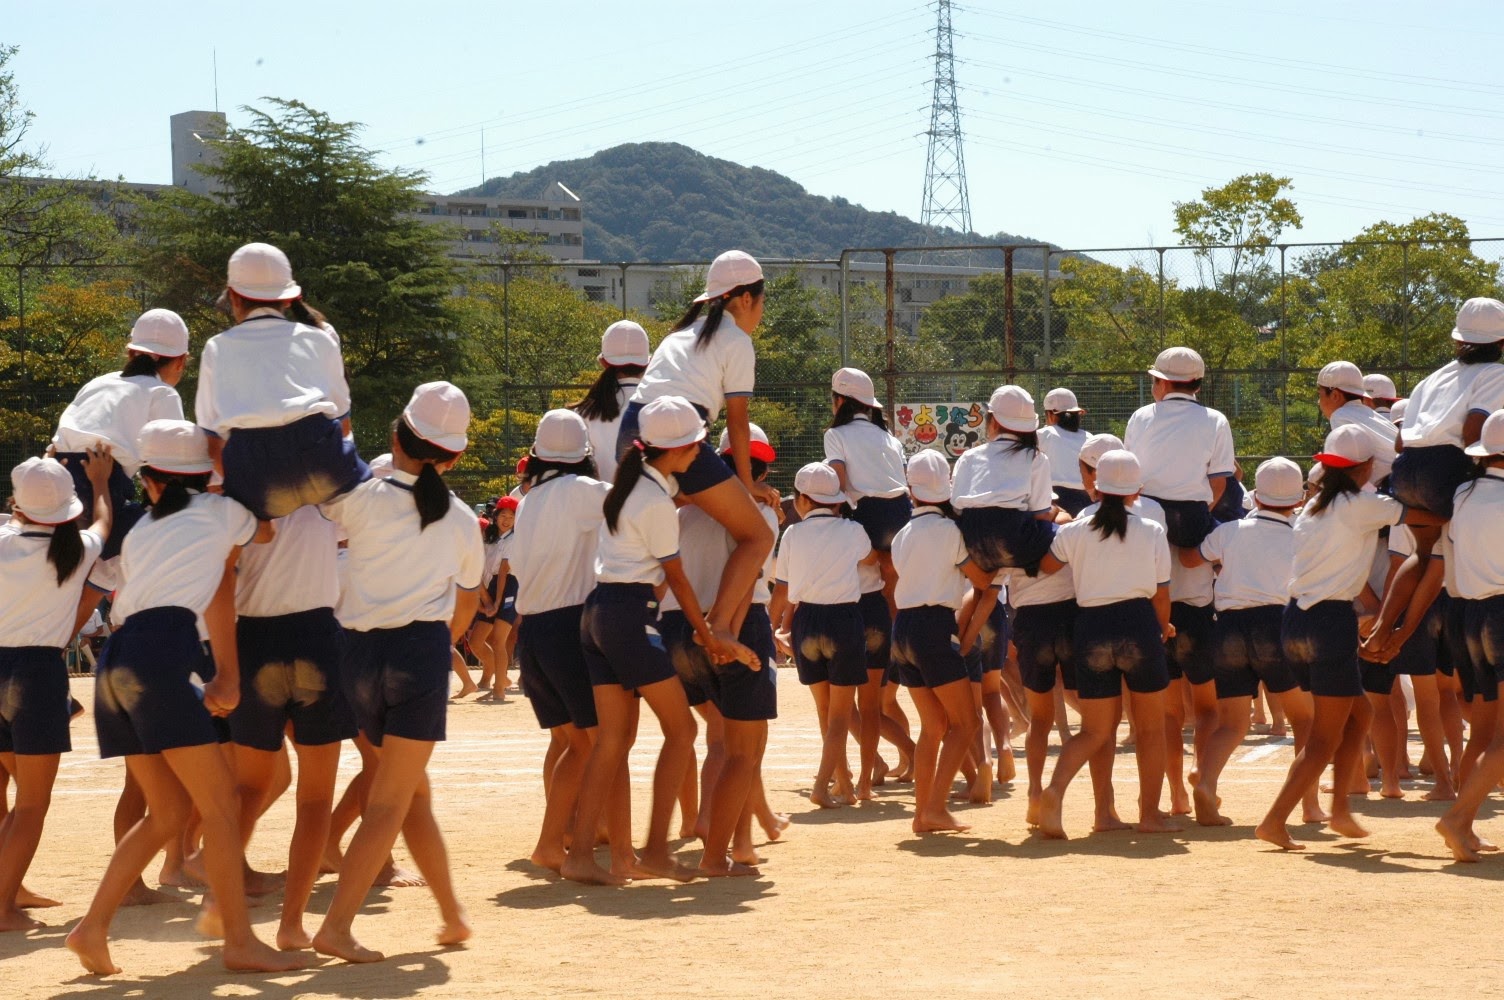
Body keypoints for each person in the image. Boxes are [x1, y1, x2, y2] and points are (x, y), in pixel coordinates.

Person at [65, 420, 306, 975]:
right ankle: (240, 942)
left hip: (114, 664)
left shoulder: (145, 527)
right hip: (162, 655)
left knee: (169, 811)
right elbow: (262, 537)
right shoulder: (223, 513)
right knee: (220, 808)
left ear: (149, 481)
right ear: (204, 475)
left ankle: (91, 927)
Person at [312, 382, 482, 962]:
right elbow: (466, 601)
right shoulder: (461, 519)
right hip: (420, 654)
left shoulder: (361, 498)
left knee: (410, 794)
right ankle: (336, 927)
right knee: (391, 801)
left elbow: (325, 485)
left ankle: (452, 913)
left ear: (396, 437)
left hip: (355, 655)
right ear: (455, 455)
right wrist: (443, 646)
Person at [564, 396, 755, 886]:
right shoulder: (653, 502)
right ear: (683, 449)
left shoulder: (633, 489)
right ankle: (653, 851)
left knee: (611, 741)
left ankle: (581, 855)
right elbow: (679, 579)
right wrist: (710, 633)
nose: (699, 457)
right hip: (628, 618)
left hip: (598, 614)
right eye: (697, 448)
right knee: (683, 732)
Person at [1255, 425, 1444, 851]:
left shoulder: (1314, 507)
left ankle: (1340, 807)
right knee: (1325, 736)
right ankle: (1274, 819)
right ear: (1364, 468)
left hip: (1296, 620)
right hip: (1329, 621)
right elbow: (1424, 518)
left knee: (1359, 715)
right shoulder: (1361, 505)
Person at [620, 250, 776, 652]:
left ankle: (640, 621)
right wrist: (746, 486)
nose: (760, 311)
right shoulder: (736, 341)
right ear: (744, 299)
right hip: (681, 436)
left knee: (659, 521)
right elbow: (738, 423)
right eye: (761, 301)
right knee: (756, 536)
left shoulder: (677, 336)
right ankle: (719, 626)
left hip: (632, 431)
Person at [227, 501, 356, 950]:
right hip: (314, 637)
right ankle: (292, 925)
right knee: (316, 796)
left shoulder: (239, 500)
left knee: (248, 789)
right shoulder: (325, 497)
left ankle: (219, 907)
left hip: (253, 639)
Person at [1035, 450, 1176, 839]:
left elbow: (1046, 566)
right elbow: (1161, 595)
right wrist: (1162, 629)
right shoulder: (1152, 530)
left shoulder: (1075, 530)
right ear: (1138, 491)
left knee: (1096, 730)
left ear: (1095, 485)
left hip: (1091, 626)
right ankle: (1149, 814)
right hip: (1138, 624)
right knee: (1150, 729)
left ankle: (1062, 793)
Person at [0, 450, 111, 932]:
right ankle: (3, 905)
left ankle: (10, 890)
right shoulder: (81, 546)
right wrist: (101, 481)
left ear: (17, 505)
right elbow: (104, 520)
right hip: (38, 673)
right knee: (32, 803)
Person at [1180, 458, 1320, 826]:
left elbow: (1191, 557)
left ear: (1255, 498)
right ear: (1297, 499)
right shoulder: (1301, 536)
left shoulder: (1229, 531)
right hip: (1278, 624)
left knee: (1232, 723)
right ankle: (1309, 805)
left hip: (1227, 626)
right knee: (1305, 719)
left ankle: (1207, 783)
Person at [195, 242, 366, 521]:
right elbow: (344, 423)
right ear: (287, 300)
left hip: (255, 478)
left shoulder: (216, 347)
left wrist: (244, 489)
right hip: (324, 465)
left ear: (234, 297)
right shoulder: (320, 339)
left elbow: (212, 441)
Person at [888, 450, 996, 833]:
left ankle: (923, 812)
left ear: (912, 492)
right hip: (934, 628)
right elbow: (981, 583)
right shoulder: (951, 532)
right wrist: (1001, 562)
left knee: (932, 725)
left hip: (902, 631)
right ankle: (933, 809)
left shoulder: (902, 535)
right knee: (965, 724)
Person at [768, 462, 878, 809]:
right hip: (842, 619)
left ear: (801, 499)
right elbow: (871, 559)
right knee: (841, 717)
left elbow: (783, 588)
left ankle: (842, 784)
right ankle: (822, 785)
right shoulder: (853, 530)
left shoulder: (793, 535)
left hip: (805, 622)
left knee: (824, 710)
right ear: (836, 501)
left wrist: (770, 628)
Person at [50, 309, 189, 559]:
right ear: (182, 361)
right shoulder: (163, 393)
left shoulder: (98, 382)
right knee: (157, 530)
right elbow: (173, 463)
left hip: (56, 474)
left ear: (130, 353)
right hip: (102, 478)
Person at [1435, 410, 1504, 861]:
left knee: (1482, 733)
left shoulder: (1463, 493)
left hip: (1472, 615)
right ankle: (1458, 819)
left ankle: (1466, 825)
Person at [1124, 346, 1236, 550]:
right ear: (1197, 385)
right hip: (1190, 521)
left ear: (1163, 383)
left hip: (1143, 515)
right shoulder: (1216, 420)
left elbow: (1129, 473)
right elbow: (1219, 483)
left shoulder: (1140, 416)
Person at [824, 367, 909, 605]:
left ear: (839, 401)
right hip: (902, 514)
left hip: (868, 514)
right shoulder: (890, 438)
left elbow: (839, 485)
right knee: (891, 575)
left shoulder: (835, 435)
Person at [951, 385, 1057, 574]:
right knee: (1061, 529)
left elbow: (957, 509)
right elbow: (1040, 514)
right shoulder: (1036, 458)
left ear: (993, 422)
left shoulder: (968, 457)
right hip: (1017, 546)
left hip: (973, 545)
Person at [576, 320, 651, 483]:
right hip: (653, 504)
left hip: (601, 504)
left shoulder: (583, 412)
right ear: (647, 363)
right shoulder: (663, 406)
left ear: (604, 362)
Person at [1319, 361, 1397, 484]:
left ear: (1334, 395)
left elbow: (1351, 474)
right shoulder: (1373, 414)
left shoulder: (1340, 416)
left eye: (1320, 395)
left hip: (1388, 488)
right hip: (1404, 482)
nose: (1319, 402)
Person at [1039, 387, 1091, 516]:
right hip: (1088, 502)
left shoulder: (1043, 435)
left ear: (1050, 414)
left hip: (1054, 502)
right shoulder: (1090, 437)